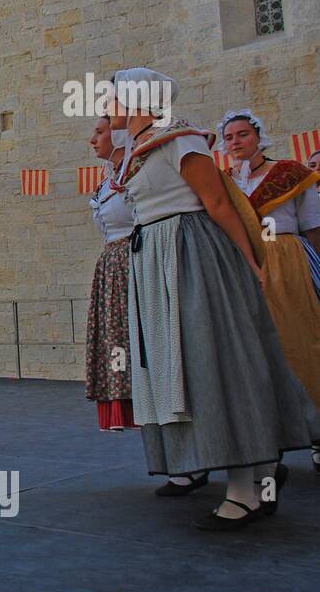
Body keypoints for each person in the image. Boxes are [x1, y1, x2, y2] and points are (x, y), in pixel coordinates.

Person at [108, 68, 318, 528]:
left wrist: (251, 261)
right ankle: (260, 476)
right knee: (183, 367)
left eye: (114, 98)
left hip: (192, 255)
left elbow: (218, 203)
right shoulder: (134, 154)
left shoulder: (182, 140)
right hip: (158, 259)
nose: (107, 107)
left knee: (212, 360)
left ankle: (246, 489)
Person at [220, 109, 320, 477]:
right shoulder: (223, 182)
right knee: (252, 350)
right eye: (229, 137)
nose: (235, 142)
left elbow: (313, 226)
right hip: (241, 264)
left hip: (285, 258)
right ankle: (264, 439)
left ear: (258, 136)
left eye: (242, 134)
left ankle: (316, 433)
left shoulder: (290, 174)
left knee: (300, 343)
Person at [84, 117, 138, 434]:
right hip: (113, 267)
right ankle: (126, 403)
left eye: (100, 132)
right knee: (118, 342)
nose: (93, 139)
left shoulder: (138, 174)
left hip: (139, 258)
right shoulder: (105, 184)